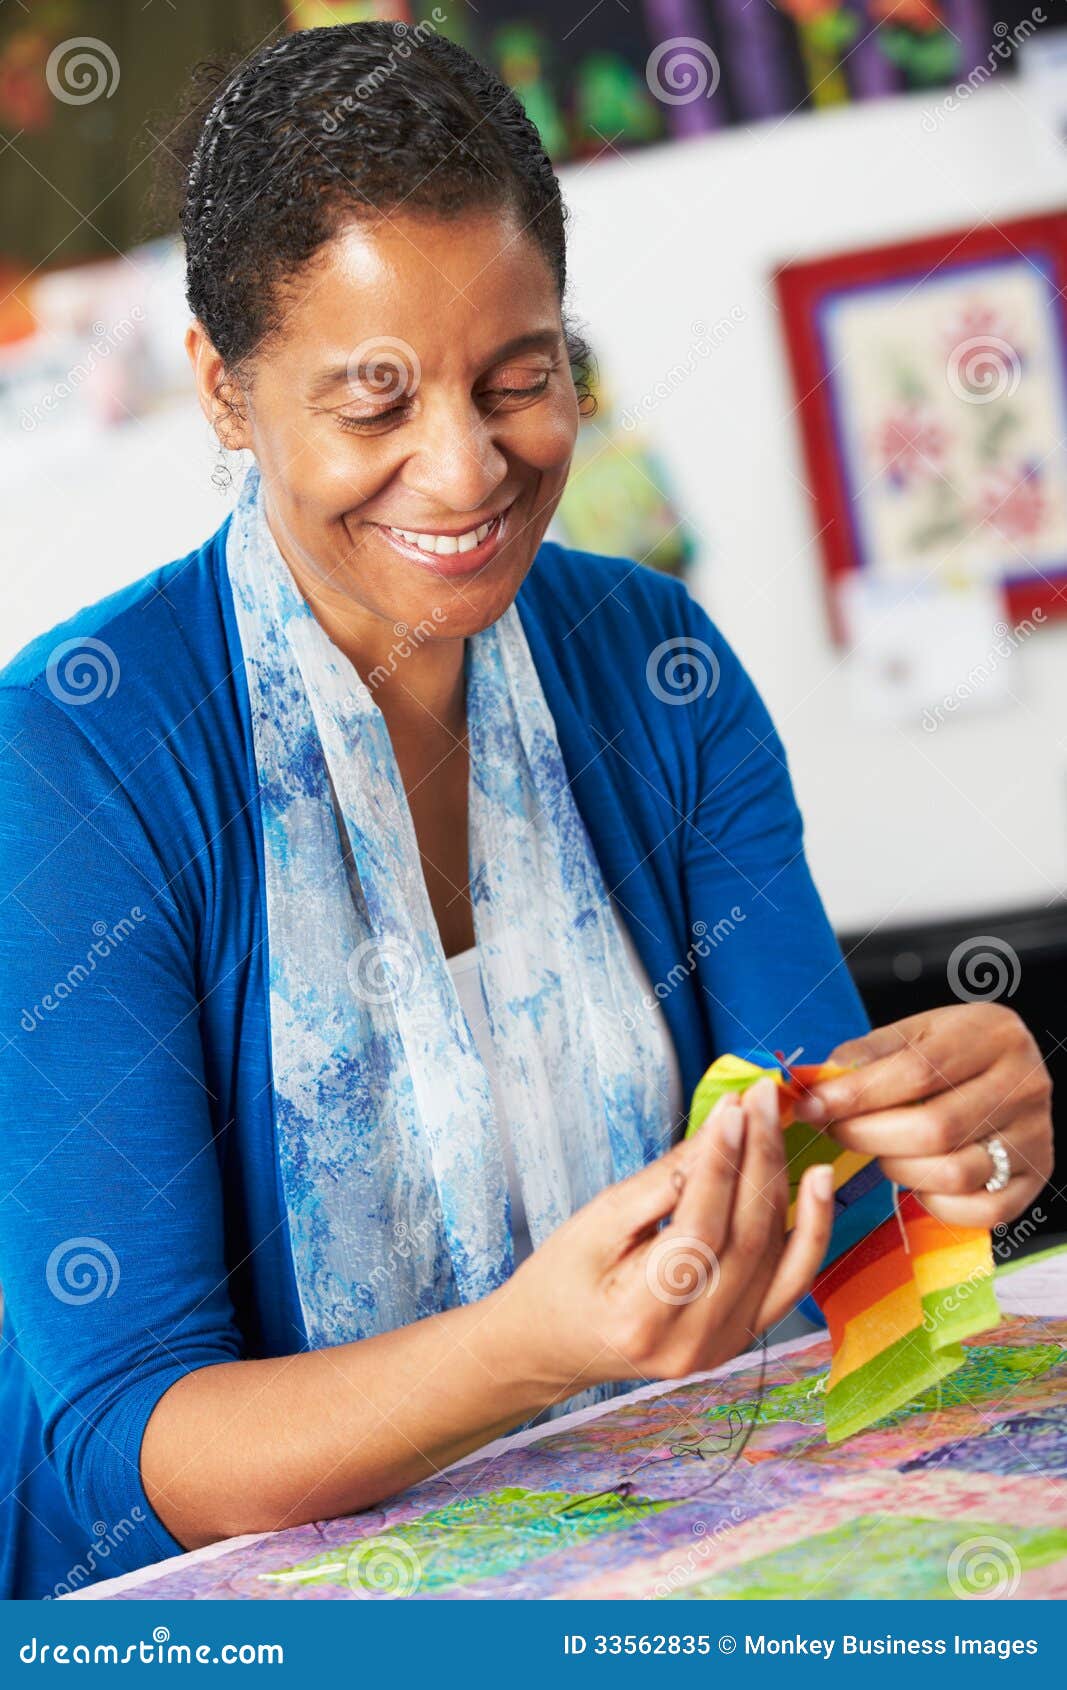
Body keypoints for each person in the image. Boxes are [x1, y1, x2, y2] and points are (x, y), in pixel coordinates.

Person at [0, 23, 1052, 1599]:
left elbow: (855, 1261)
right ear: (224, 389)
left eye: (520, 379)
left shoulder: (658, 667)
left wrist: (956, 1173)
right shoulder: (72, 755)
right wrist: (525, 1350)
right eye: (374, 405)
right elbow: (118, 1444)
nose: (465, 469)